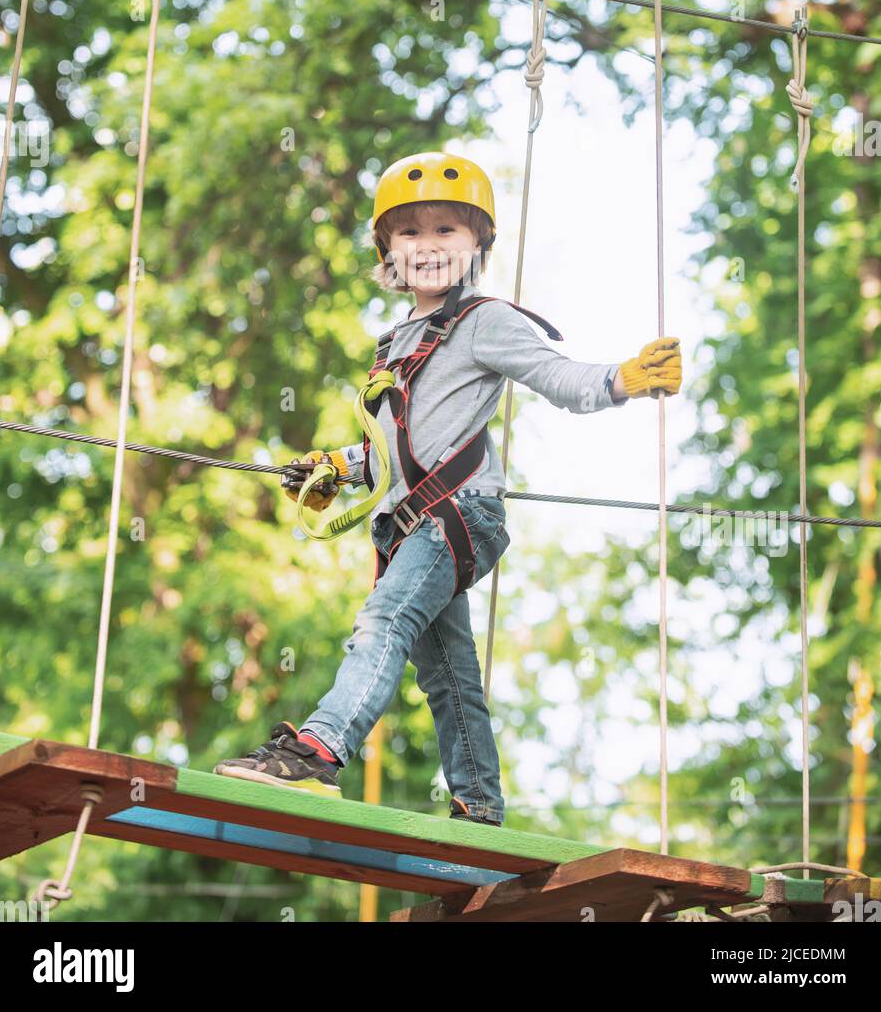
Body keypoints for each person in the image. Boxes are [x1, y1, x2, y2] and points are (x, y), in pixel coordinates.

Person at [214, 151, 682, 824]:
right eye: (409, 232)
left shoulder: (485, 321)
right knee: (448, 676)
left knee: (383, 621)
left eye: (446, 231)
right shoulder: (393, 344)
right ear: (386, 252)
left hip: (457, 515)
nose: (427, 247)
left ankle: (318, 750)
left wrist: (624, 379)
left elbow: (562, 380)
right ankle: (479, 804)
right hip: (412, 520)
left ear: (476, 245)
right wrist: (336, 468)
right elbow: (392, 453)